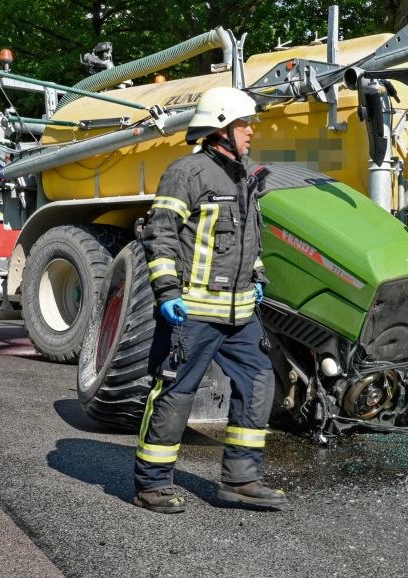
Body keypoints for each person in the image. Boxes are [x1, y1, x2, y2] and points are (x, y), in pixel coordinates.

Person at [132, 86, 286, 514]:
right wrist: (167, 292)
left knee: (259, 383)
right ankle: (151, 486)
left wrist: (256, 275)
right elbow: (161, 234)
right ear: (221, 128)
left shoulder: (246, 176)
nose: (251, 131)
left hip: (240, 312)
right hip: (193, 311)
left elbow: (248, 238)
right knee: (176, 393)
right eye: (244, 124)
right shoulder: (187, 173)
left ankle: (241, 480)